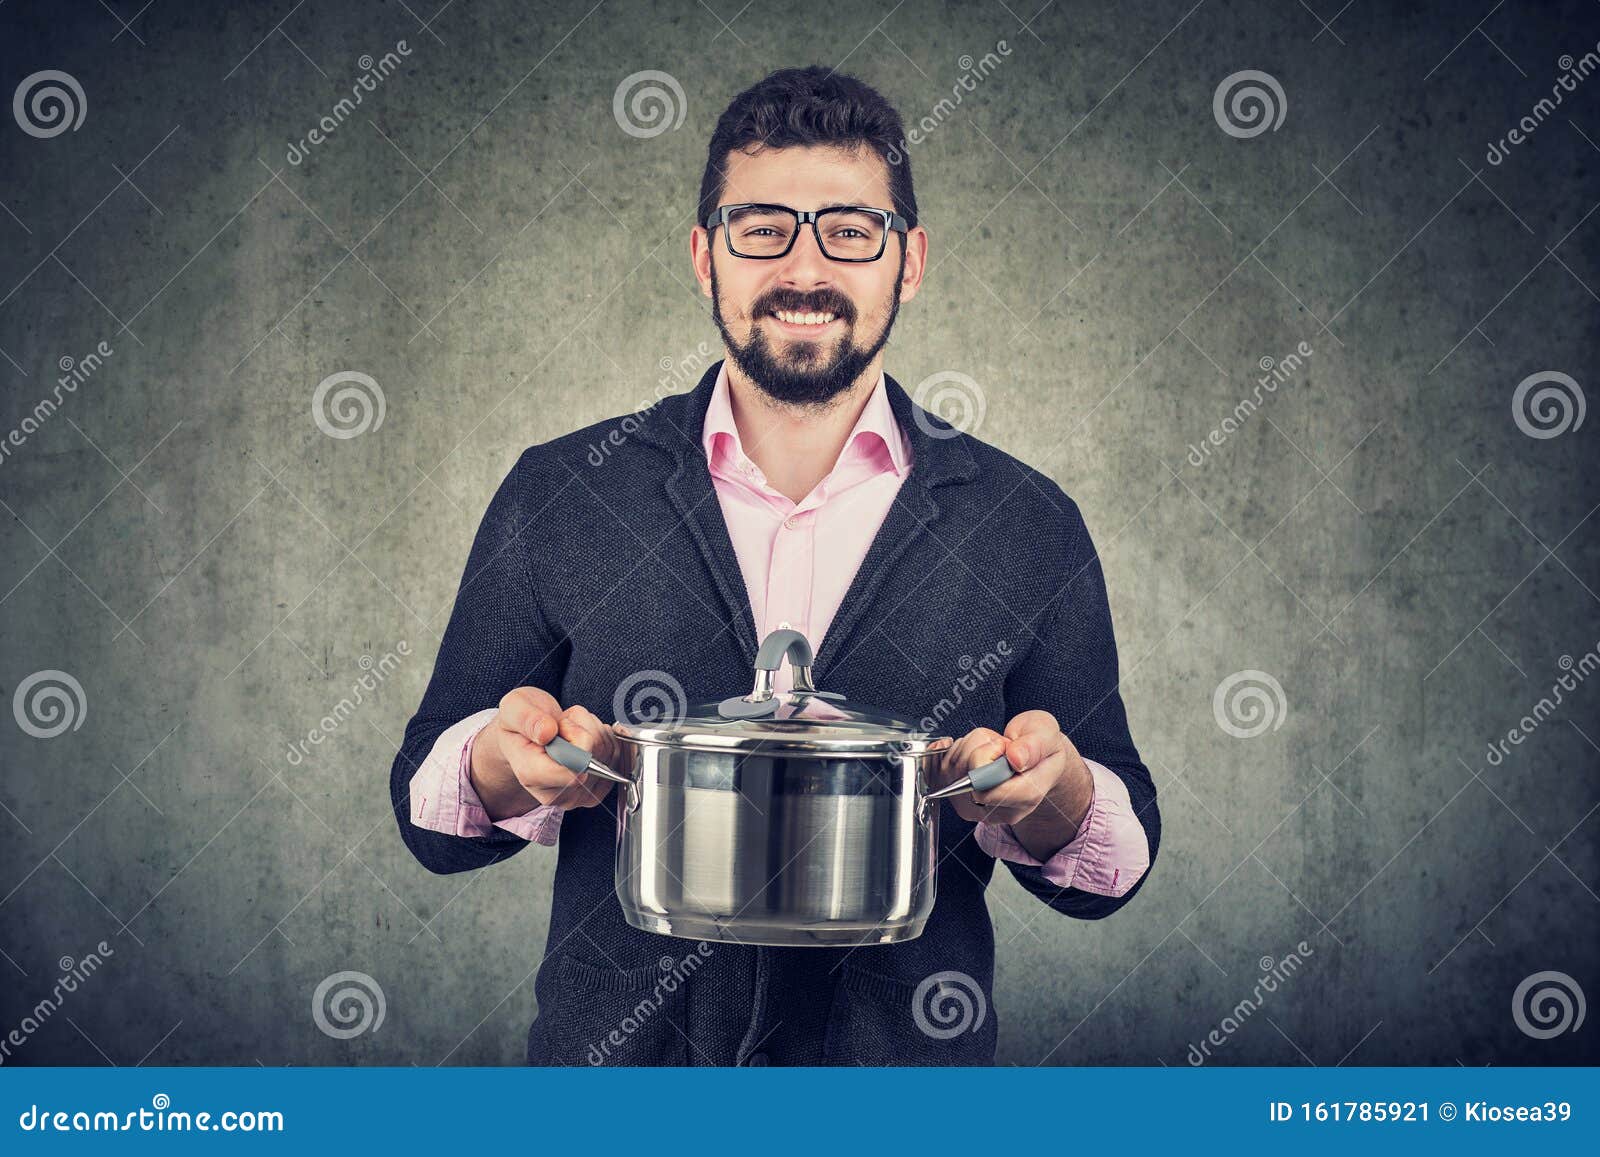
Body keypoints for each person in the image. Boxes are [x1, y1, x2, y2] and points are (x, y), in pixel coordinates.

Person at [391, 66, 1159, 1066]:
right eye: (761, 228)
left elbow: (1113, 868)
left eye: (851, 229)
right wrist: (500, 766)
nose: (805, 268)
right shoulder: (564, 490)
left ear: (909, 261)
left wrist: (1057, 796)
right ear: (703, 255)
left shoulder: (1026, 521)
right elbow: (429, 818)